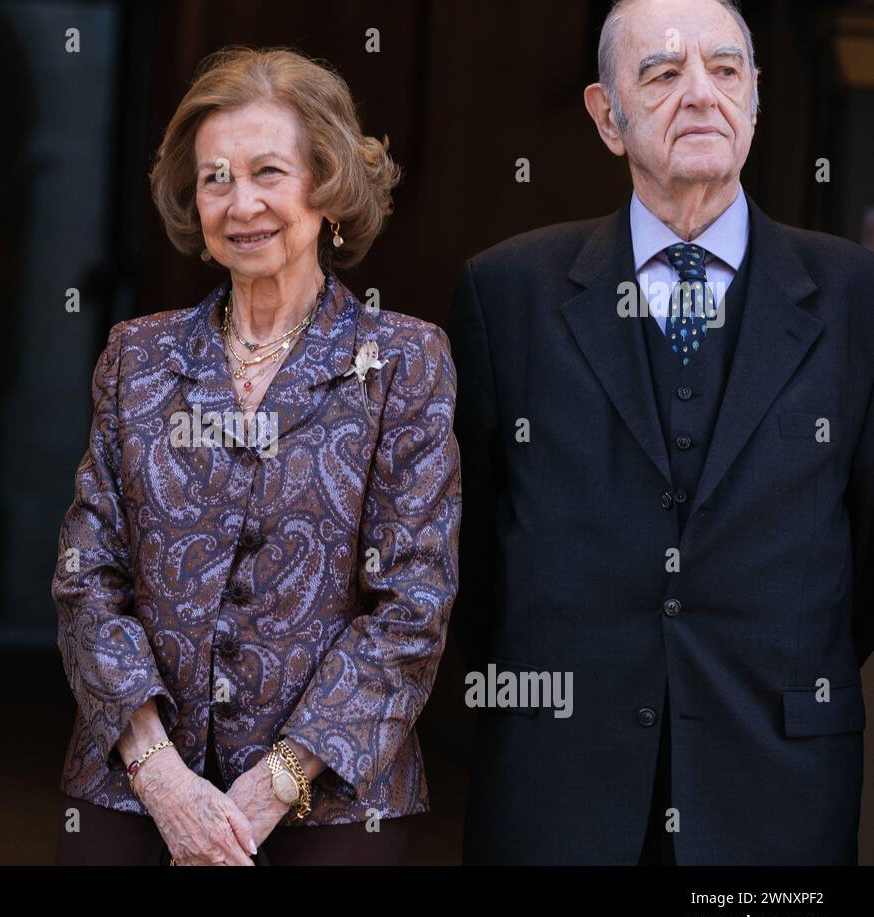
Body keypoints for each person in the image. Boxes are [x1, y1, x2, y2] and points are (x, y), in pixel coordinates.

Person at [453, 0, 873, 864]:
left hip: (776, 787)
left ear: (756, 100)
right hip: (559, 785)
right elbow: (473, 556)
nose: (700, 95)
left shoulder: (858, 297)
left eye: (725, 71)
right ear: (608, 118)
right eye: (662, 73)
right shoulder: (508, 294)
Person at [52, 46, 460, 865]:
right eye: (215, 178)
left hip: (338, 809)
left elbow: (413, 605)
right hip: (135, 796)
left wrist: (274, 784)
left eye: (269, 171)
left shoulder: (405, 362)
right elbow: (86, 576)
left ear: (328, 183)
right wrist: (162, 776)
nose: (242, 204)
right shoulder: (138, 358)